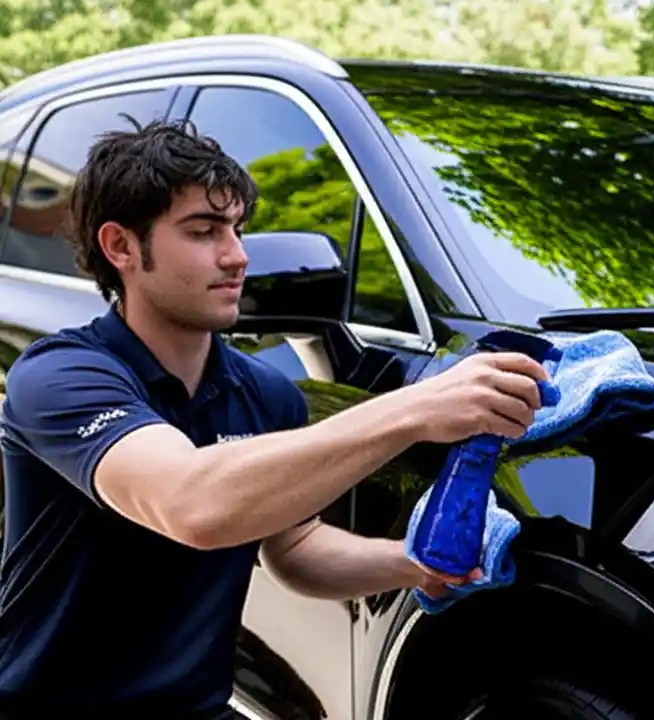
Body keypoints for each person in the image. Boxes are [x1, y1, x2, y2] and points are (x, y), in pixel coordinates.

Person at [0, 119, 550, 719]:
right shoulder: (60, 376)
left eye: (237, 229)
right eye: (204, 231)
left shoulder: (265, 396)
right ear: (122, 247)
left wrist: (411, 565)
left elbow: (296, 547)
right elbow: (191, 505)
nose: (237, 256)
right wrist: (417, 408)